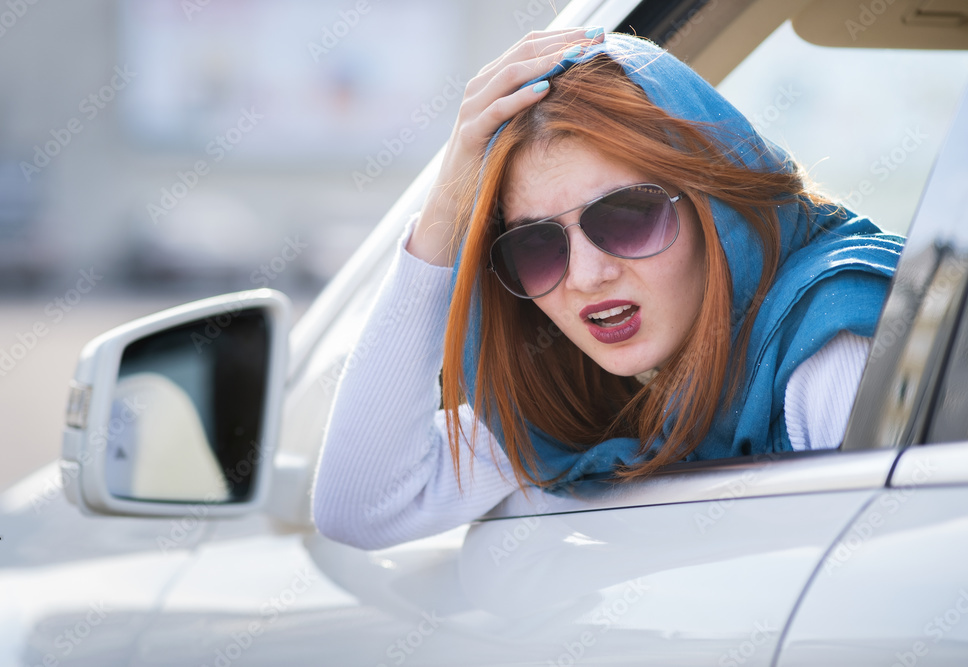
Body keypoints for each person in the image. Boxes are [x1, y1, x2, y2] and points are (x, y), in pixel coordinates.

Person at [312, 29, 904, 550]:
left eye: (627, 217)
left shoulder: (829, 346)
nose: (587, 276)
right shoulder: (582, 403)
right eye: (536, 247)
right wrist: (446, 205)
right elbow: (362, 506)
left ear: (713, 207)